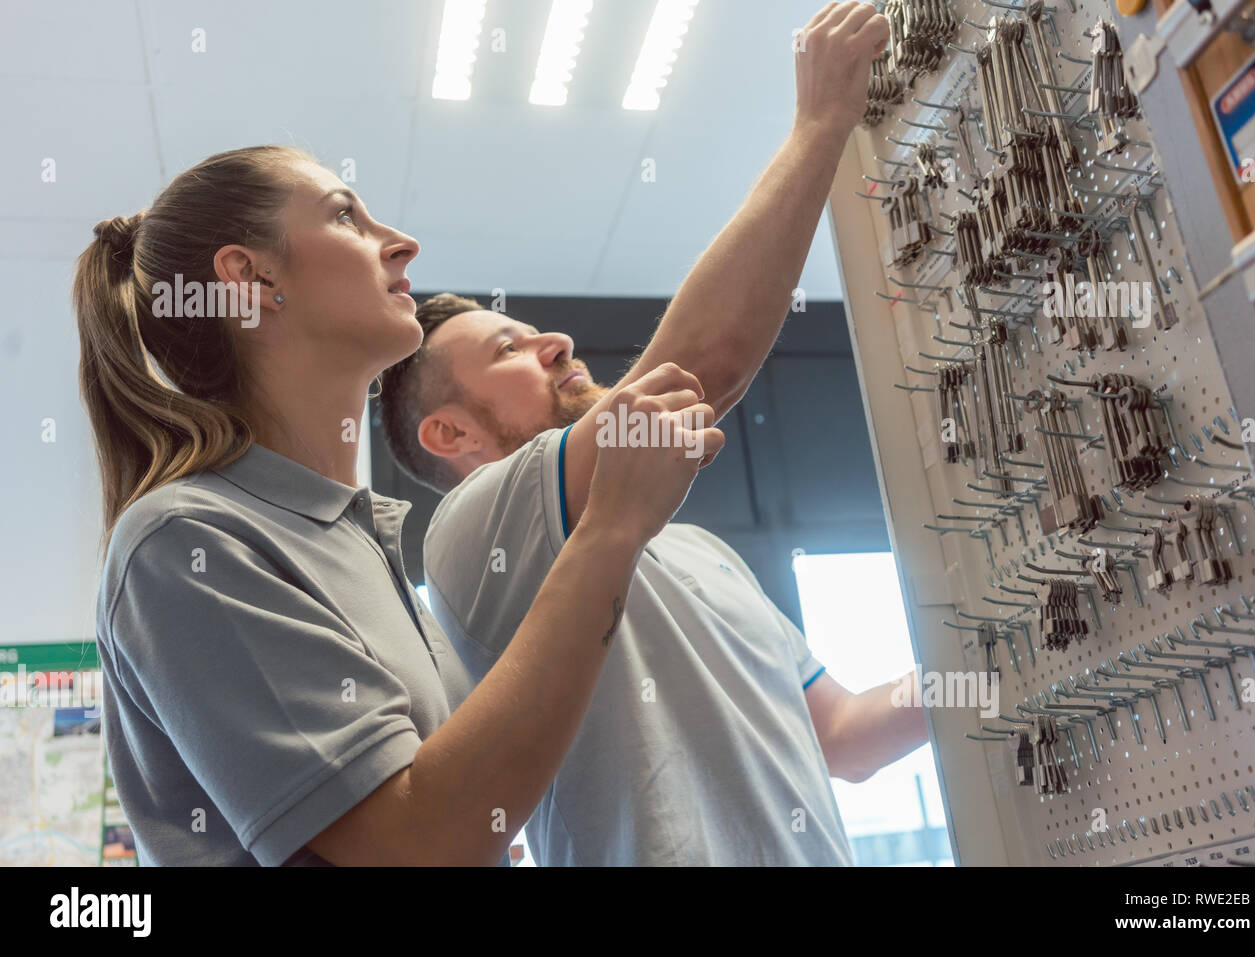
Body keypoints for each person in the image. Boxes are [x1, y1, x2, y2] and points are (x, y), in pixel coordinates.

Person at [379, 2, 928, 866]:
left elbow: (846, 736)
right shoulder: (468, 541)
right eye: (507, 349)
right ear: (450, 431)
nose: (552, 340)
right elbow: (703, 367)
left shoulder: (707, 554)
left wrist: (987, 662)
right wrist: (823, 122)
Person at [74, 144, 722, 866]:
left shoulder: (360, 541)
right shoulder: (183, 540)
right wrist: (610, 531)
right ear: (249, 276)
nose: (403, 242)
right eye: (346, 214)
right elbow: (416, 845)